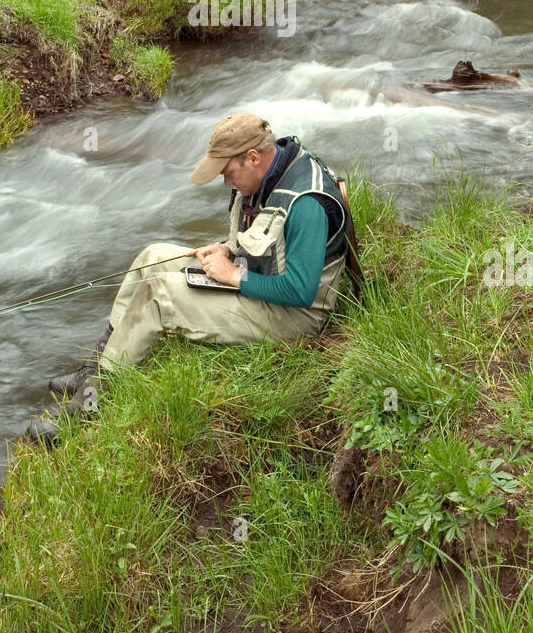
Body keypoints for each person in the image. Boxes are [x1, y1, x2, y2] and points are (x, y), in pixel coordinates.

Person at [27, 112, 349, 443]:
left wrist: (235, 275)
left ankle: (88, 408)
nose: (226, 183)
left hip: (294, 315)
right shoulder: (272, 169)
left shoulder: (306, 204)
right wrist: (228, 249)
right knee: (150, 259)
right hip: (263, 280)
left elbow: (301, 292)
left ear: (253, 158)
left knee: (159, 295)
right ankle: (97, 366)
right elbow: (270, 237)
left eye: (228, 173)